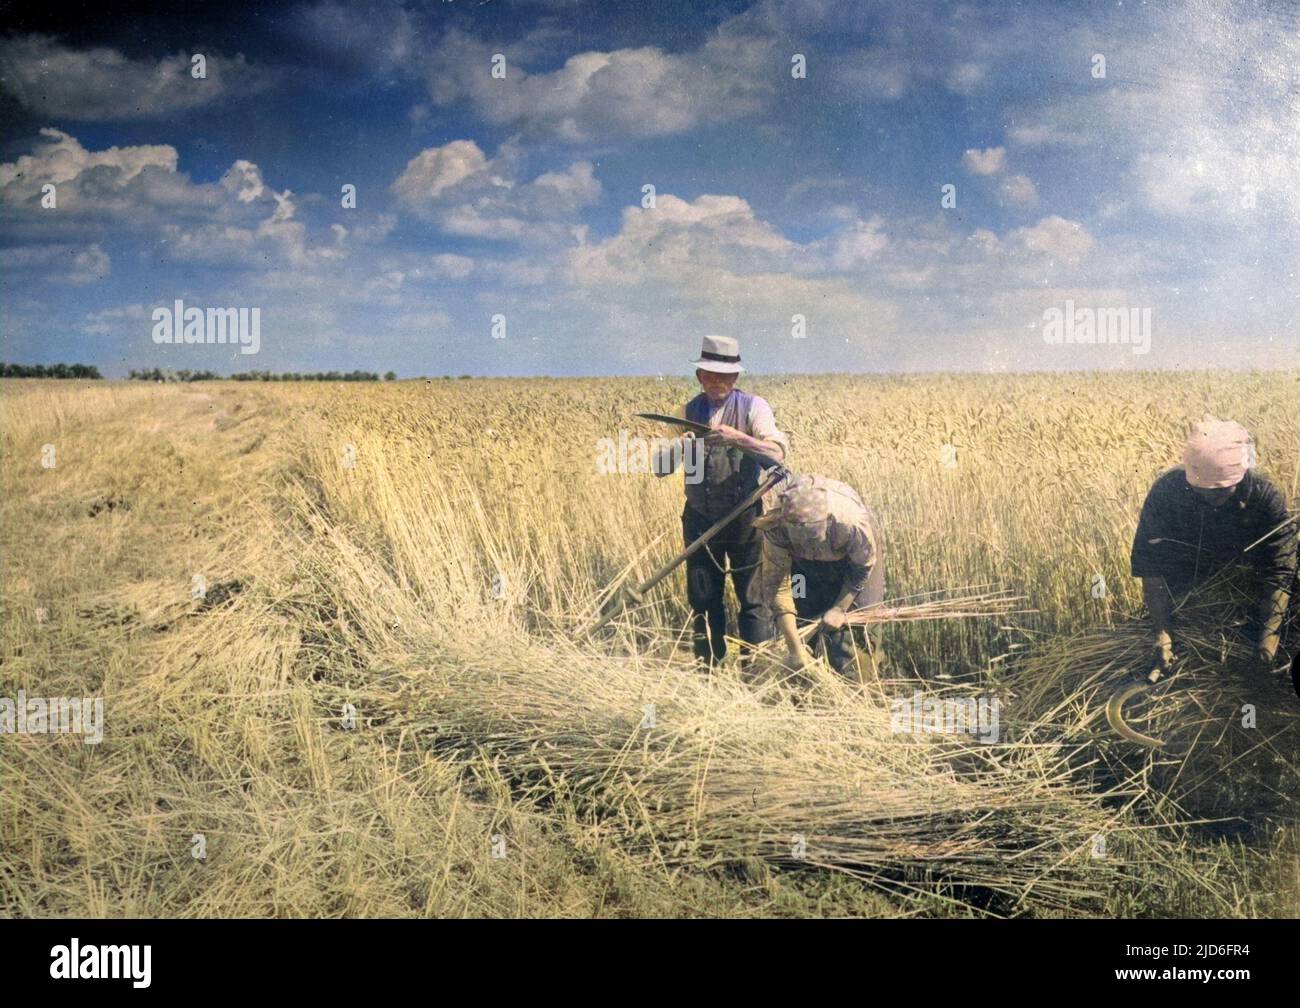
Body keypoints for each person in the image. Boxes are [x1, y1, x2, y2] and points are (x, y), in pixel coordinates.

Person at [653, 335, 789, 667]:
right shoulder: (685, 412)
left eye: (725, 375)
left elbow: (778, 455)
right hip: (700, 520)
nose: (718, 381)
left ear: (736, 377)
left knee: (753, 600)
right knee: (702, 598)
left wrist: (739, 439)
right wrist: (678, 449)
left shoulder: (755, 408)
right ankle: (708, 672)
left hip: (746, 520)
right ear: (699, 376)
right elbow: (659, 469)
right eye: (711, 374)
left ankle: (756, 674)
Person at [1130, 418, 1297, 680]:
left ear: (1240, 478)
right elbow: (1152, 566)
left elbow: (1280, 570)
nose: (1210, 498)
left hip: (1250, 587)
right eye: (1201, 491)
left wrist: (1267, 644)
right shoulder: (1167, 493)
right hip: (1191, 592)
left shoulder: (1264, 494)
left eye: (1220, 492)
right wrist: (1162, 634)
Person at [755, 473, 886, 682]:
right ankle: (808, 688)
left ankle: (858, 686)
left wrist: (839, 608)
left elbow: (861, 569)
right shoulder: (776, 528)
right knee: (802, 619)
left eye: (812, 539)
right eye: (800, 541)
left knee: (851, 634)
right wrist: (795, 648)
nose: (807, 545)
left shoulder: (852, 523)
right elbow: (779, 587)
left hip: (854, 566)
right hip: (802, 568)